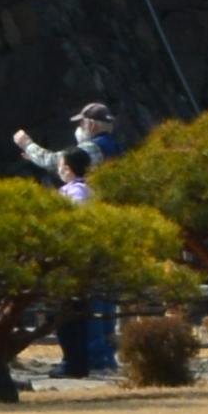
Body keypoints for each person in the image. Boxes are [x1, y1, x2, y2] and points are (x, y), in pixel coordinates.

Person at [56, 100, 130, 378]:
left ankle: (96, 356)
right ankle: (105, 355)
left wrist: (28, 145)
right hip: (111, 233)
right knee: (107, 300)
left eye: (81, 123)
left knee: (93, 302)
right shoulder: (118, 149)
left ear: (90, 124)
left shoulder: (92, 153)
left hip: (90, 248)